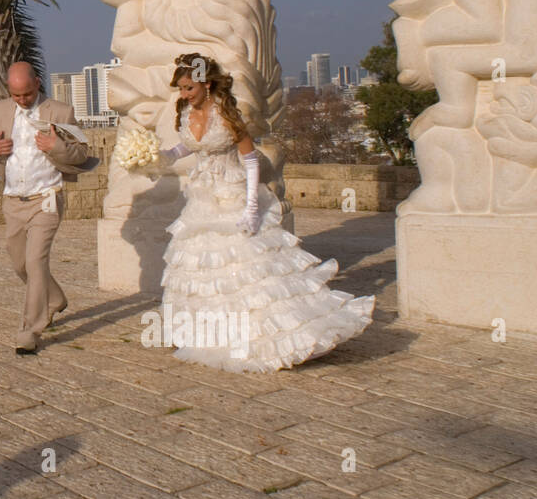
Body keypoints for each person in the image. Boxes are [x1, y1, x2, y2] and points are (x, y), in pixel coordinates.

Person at [157, 52, 374, 372]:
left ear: (205, 84)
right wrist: (164, 156)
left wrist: (252, 206)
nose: (184, 94)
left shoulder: (227, 116)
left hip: (233, 192)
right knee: (202, 263)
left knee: (247, 263)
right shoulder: (188, 114)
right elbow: (189, 146)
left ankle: (269, 332)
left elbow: (250, 160)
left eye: (189, 88)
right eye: (181, 88)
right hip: (203, 196)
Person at [0, 62, 93, 355]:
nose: (22, 100)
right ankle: (54, 299)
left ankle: (30, 330)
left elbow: (82, 152)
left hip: (47, 198)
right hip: (13, 199)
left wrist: (56, 147)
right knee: (20, 264)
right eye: (16, 95)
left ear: (38, 83)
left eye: (27, 94)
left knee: (35, 261)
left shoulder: (61, 112)